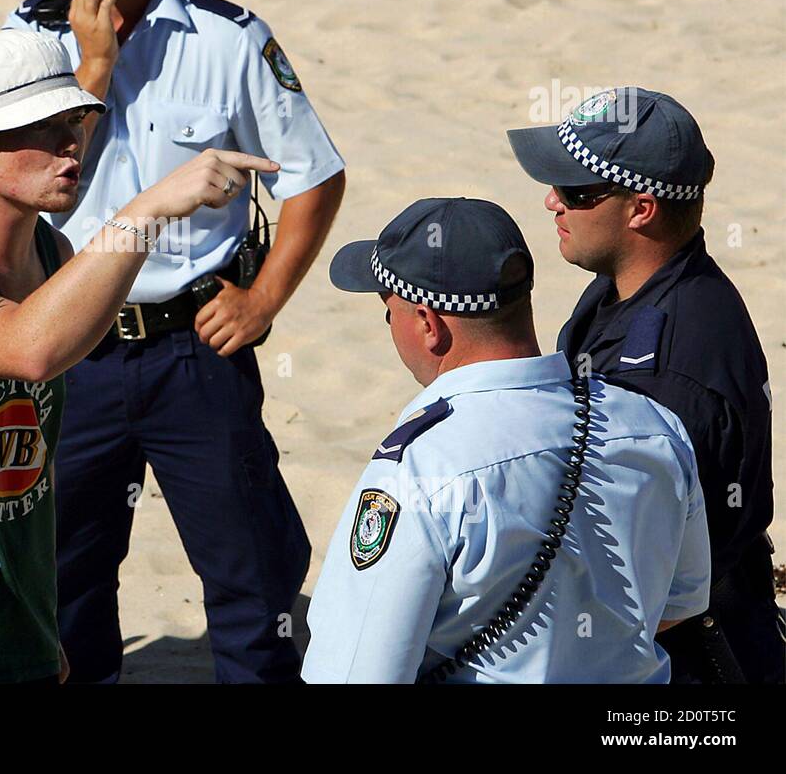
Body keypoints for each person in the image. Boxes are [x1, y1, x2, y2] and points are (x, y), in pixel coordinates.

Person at [3, 0, 346, 684]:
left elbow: (317, 176)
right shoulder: (33, 35)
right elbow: (21, 179)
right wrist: (91, 66)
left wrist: (264, 299)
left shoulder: (230, 39)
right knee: (65, 576)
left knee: (250, 574)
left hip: (194, 342)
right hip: (71, 347)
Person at [0, 29, 278, 683]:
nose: (71, 142)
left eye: (75, 121)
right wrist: (153, 205)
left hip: (21, 626)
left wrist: (39, 626)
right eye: (44, 126)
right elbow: (23, 350)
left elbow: (33, 463)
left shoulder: (51, 252)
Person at [302, 197, 711, 683]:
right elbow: (680, 603)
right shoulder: (653, 424)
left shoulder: (420, 468)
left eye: (388, 311)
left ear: (428, 324)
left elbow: (356, 673)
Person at [507, 87, 782, 683]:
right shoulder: (629, 289)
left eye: (577, 190)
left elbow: (636, 578)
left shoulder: (662, 373)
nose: (552, 202)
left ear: (641, 209)